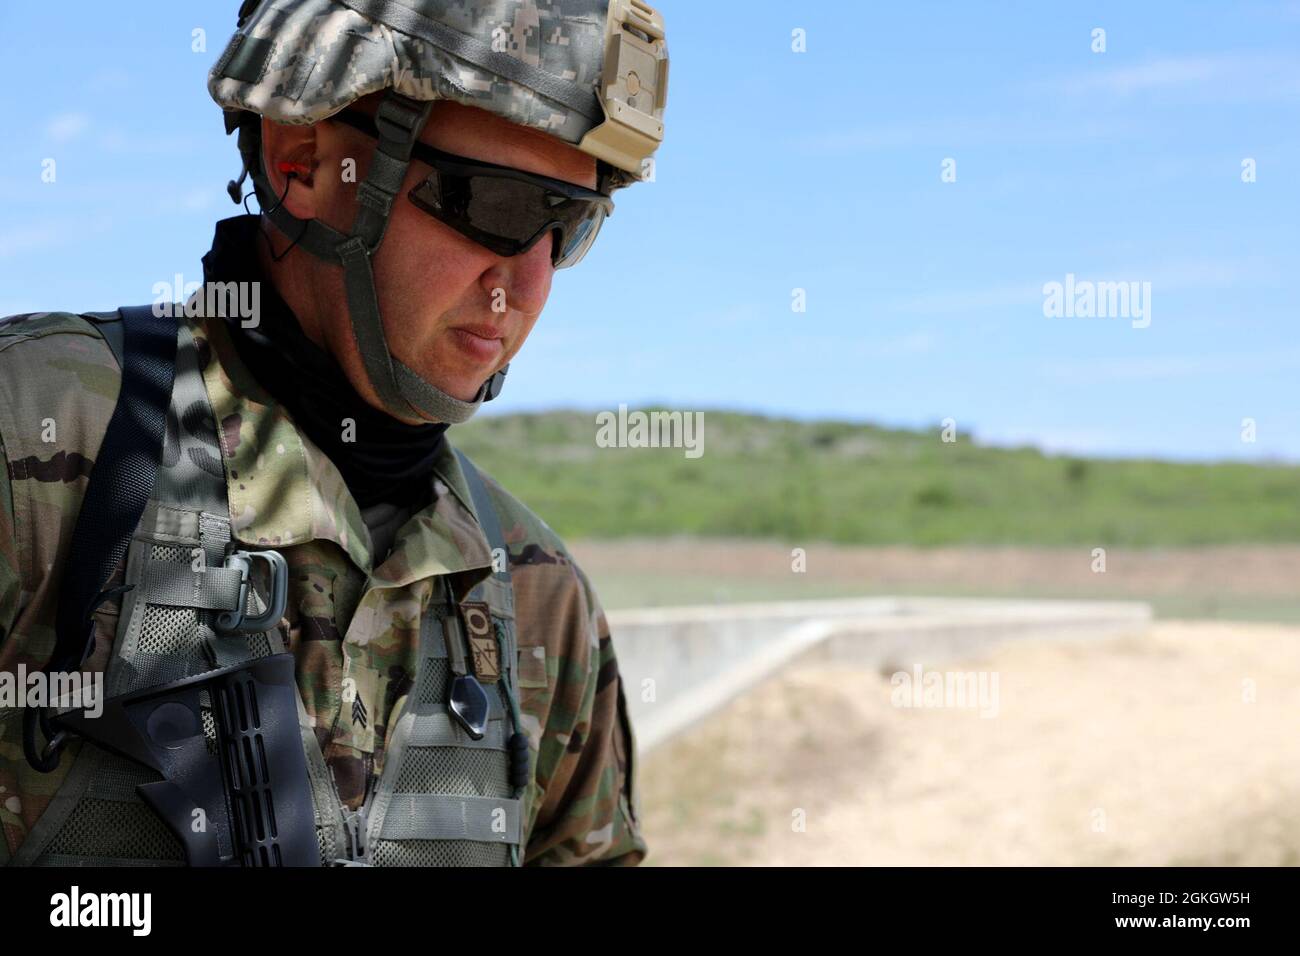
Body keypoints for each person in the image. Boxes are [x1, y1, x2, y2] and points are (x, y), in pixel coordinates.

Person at [0, 0, 668, 867]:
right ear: (301, 161)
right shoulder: (48, 442)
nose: (529, 287)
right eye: (495, 206)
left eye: (568, 227)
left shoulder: (537, 600)